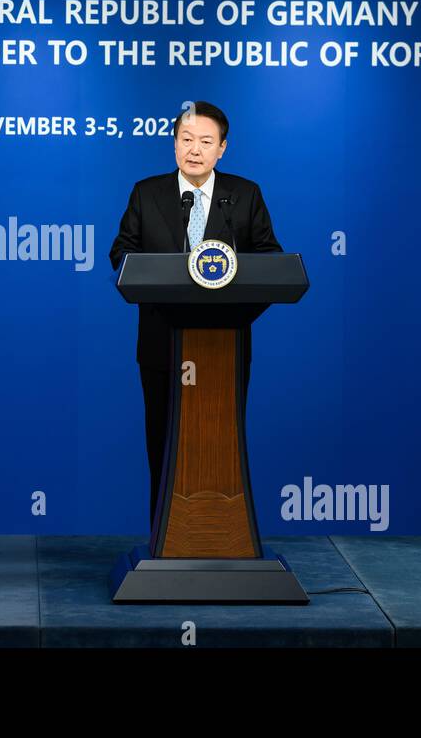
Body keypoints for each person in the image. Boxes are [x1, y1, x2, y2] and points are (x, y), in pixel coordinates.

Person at [108, 100, 282, 523]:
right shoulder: (147, 193)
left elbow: (271, 262)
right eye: (186, 140)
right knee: (164, 442)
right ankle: (165, 540)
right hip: (161, 341)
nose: (194, 150)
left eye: (206, 141)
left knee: (219, 443)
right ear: (174, 145)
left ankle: (223, 536)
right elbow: (121, 254)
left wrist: (236, 312)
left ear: (222, 148)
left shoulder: (244, 195)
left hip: (224, 346)